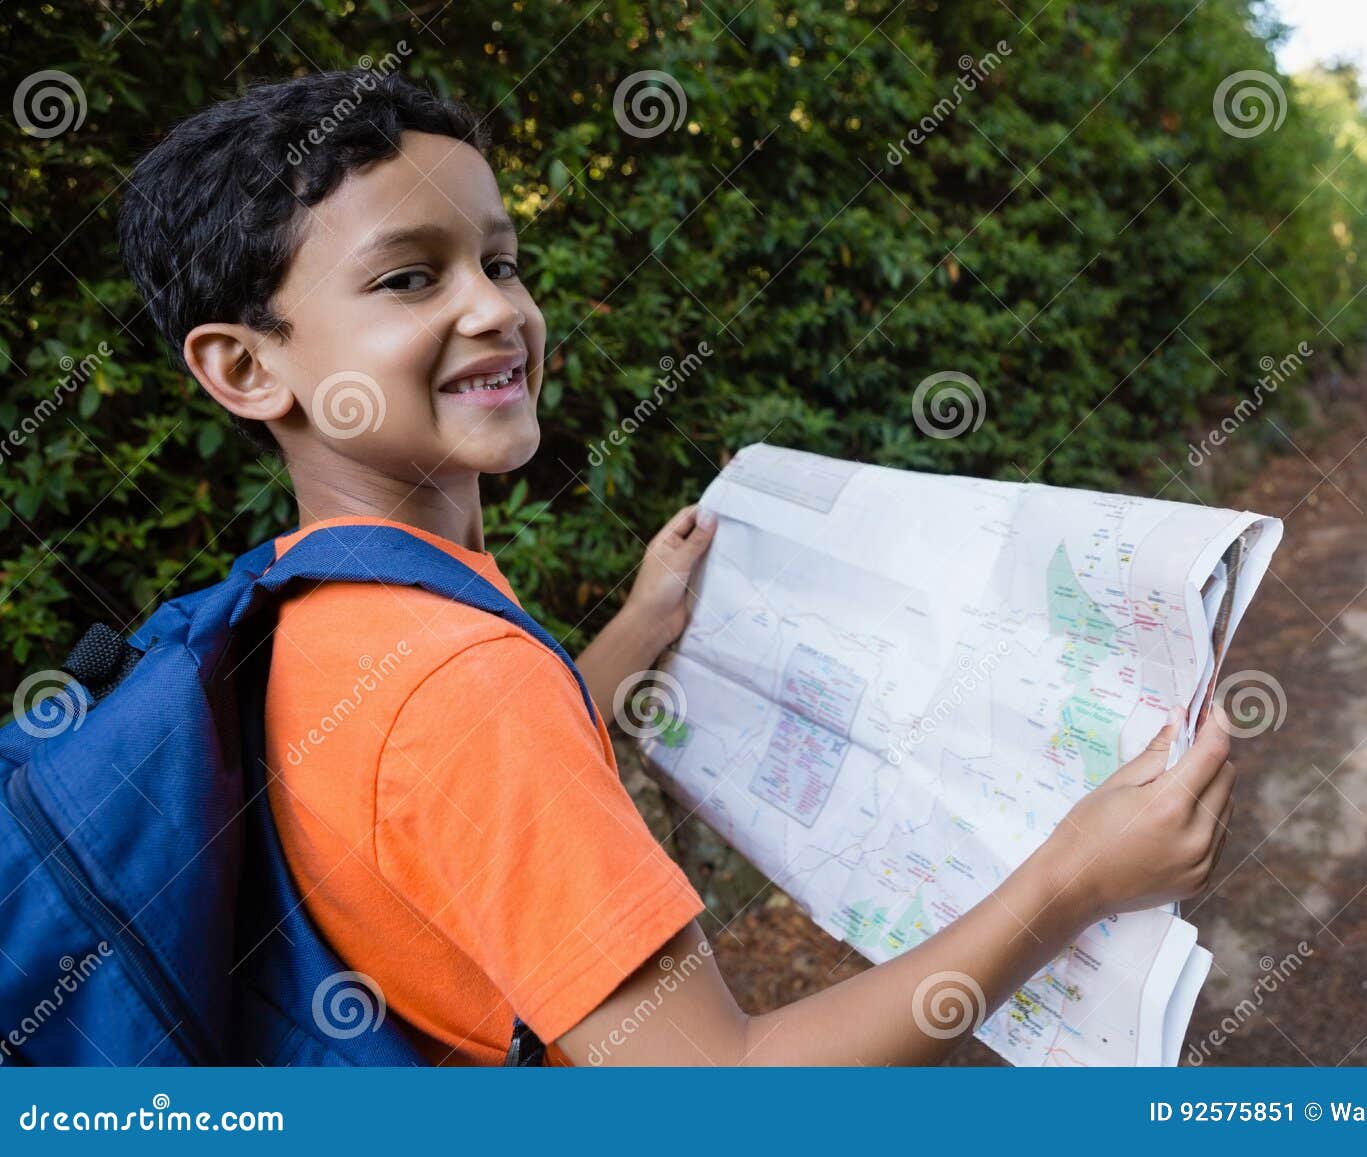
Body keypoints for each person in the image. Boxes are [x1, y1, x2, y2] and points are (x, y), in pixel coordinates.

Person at [116, 69, 1235, 1066]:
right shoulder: (456, 680)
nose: (497, 308)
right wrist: (1072, 879)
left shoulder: (318, 600)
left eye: (500, 260)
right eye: (410, 278)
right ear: (247, 368)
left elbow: (457, 809)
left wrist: (639, 627)